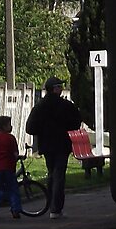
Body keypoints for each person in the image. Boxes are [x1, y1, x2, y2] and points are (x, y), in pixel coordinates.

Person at [26, 76, 81, 219]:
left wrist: (43, 131)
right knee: (59, 175)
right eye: (60, 86)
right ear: (55, 89)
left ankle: (51, 206)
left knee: (51, 173)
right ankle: (56, 209)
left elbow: (30, 128)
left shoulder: (40, 106)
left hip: (47, 145)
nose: (62, 89)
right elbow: (76, 122)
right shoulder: (66, 106)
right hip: (62, 144)